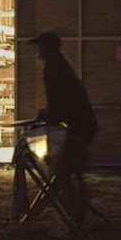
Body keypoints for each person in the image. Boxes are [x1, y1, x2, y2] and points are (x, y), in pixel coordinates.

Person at [34, 31, 98, 228]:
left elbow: (57, 102)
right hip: (84, 125)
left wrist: (48, 125)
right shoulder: (61, 66)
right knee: (73, 173)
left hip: (79, 127)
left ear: (46, 49)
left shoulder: (53, 70)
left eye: (40, 47)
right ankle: (80, 218)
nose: (37, 51)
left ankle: (75, 223)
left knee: (62, 174)